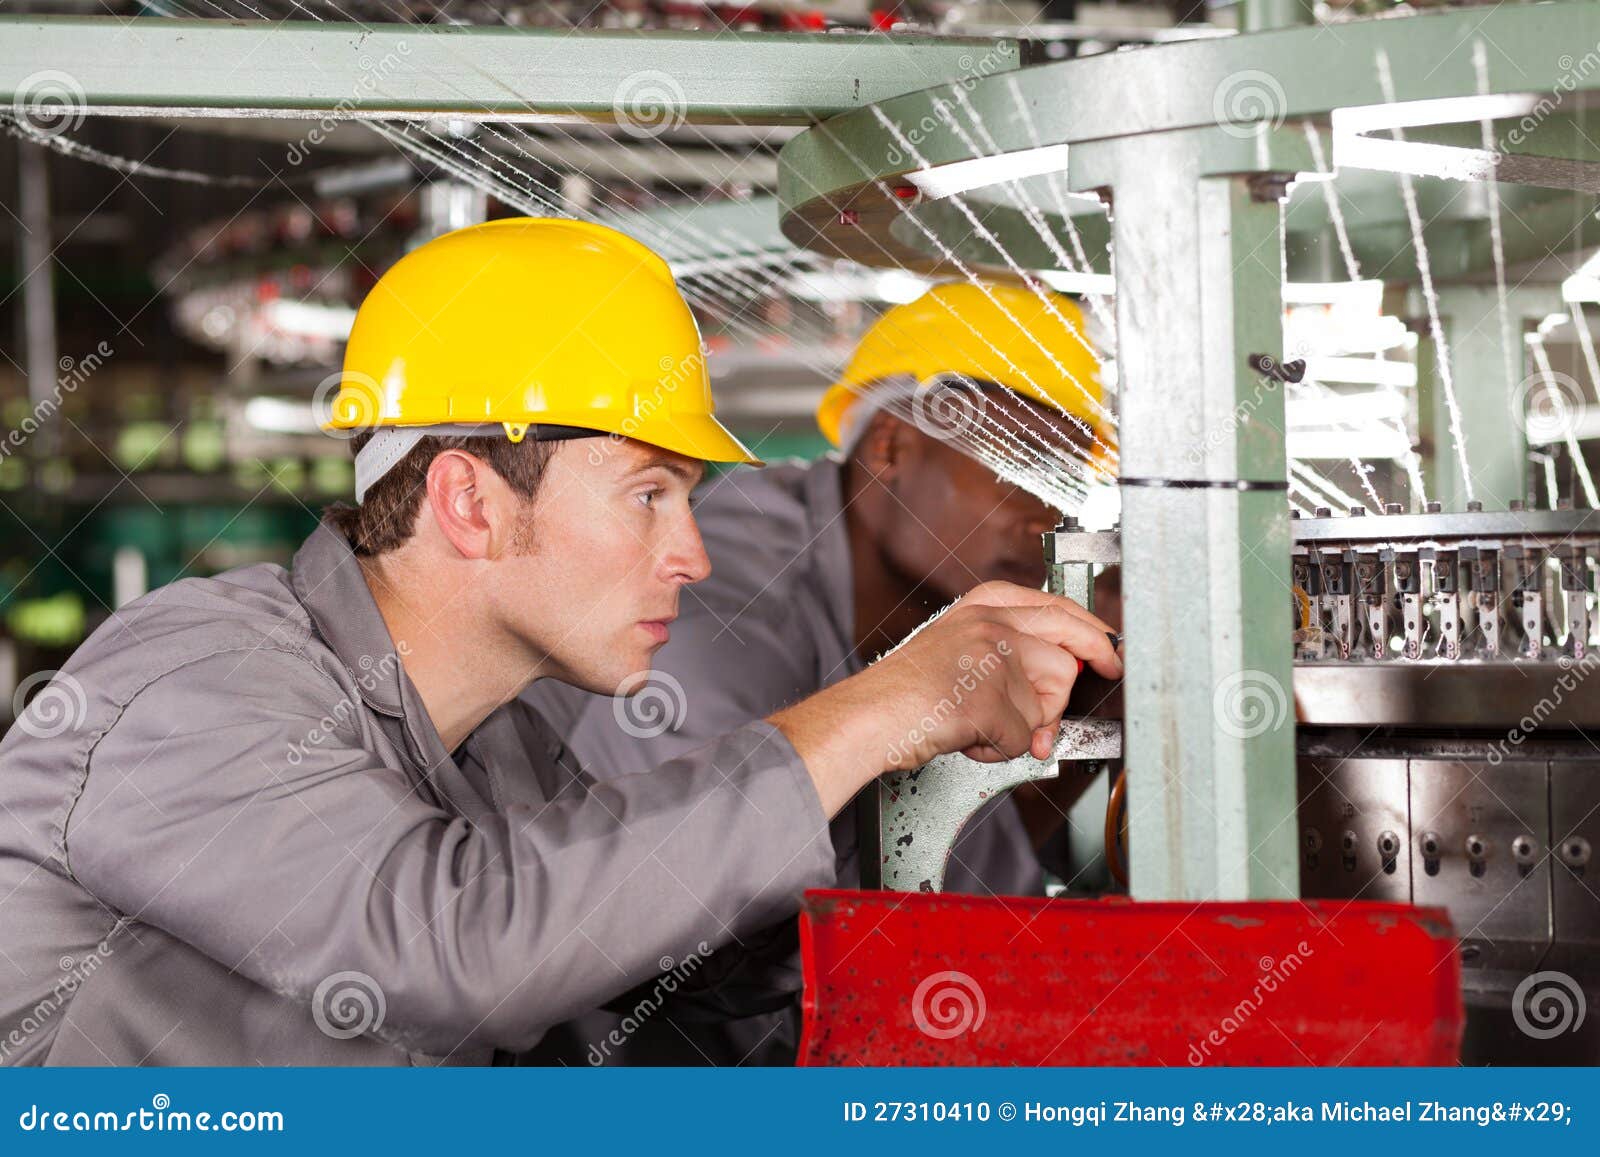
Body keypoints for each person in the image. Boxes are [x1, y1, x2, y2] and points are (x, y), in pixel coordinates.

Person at [0, 220, 1120, 1066]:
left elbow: (631, 986)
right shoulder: (195, 683)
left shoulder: (504, 747)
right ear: (471, 501)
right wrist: (872, 708)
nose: (693, 552)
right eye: (647, 493)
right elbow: (454, 946)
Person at [522, 282, 1110, 1066]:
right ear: (891, 448)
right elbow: (706, 919)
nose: (1044, 515)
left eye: (1064, 484)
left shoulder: (943, 611)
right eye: (1014, 468)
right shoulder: (717, 606)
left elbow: (971, 894)